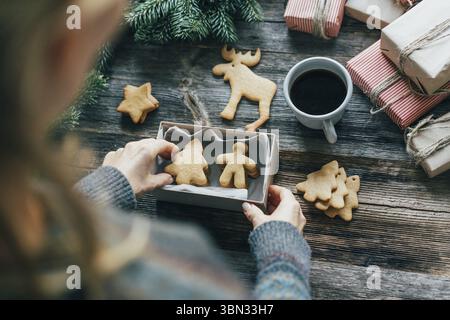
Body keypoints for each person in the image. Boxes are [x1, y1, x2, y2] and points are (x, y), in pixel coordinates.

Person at [0, 0, 311, 299]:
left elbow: (52, 230)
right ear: (61, 52)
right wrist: (283, 257)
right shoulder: (169, 273)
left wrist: (104, 190)